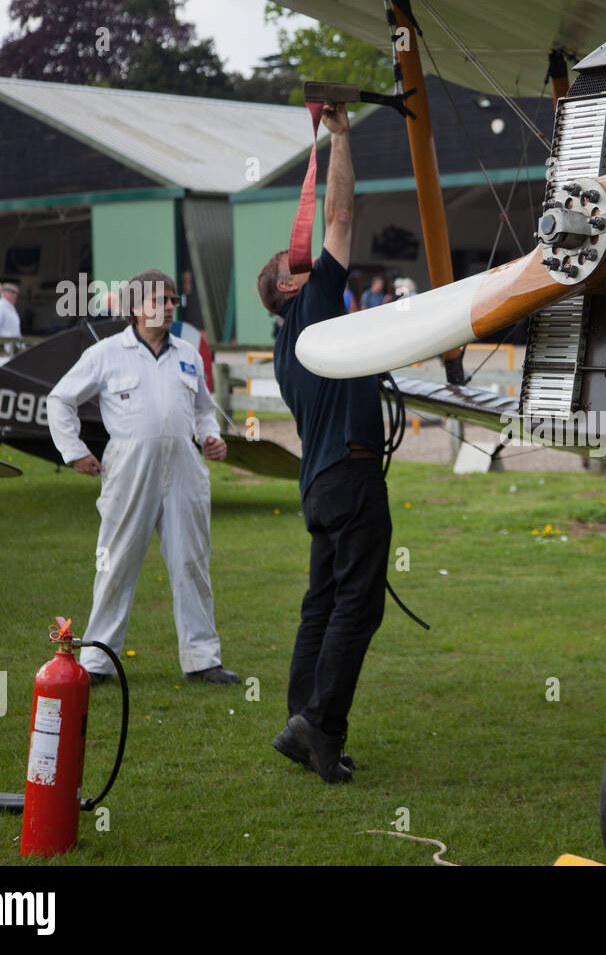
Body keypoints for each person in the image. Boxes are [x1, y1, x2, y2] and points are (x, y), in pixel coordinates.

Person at [257, 100, 390, 783]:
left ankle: (301, 724)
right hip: (351, 475)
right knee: (357, 606)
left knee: (321, 604)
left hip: (320, 485)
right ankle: (320, 725)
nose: (314, 260)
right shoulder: (312, 307)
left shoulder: (288, 345)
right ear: (290, 286)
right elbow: (338, 217)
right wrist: (340, 136)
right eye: (301, 261)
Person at [46, 270, 238, 686]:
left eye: (172, 300)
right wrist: (74, 451)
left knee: (192, 561)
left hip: (185, 468)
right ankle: (98, 661)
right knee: (115, 563)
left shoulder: (187, 352)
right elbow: (60, 399)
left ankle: (202, 658)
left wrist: (210, 436)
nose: (168, 306)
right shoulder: (107, 353)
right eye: (159, 300)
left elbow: (205, 408)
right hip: (129, 469)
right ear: (135, 308)